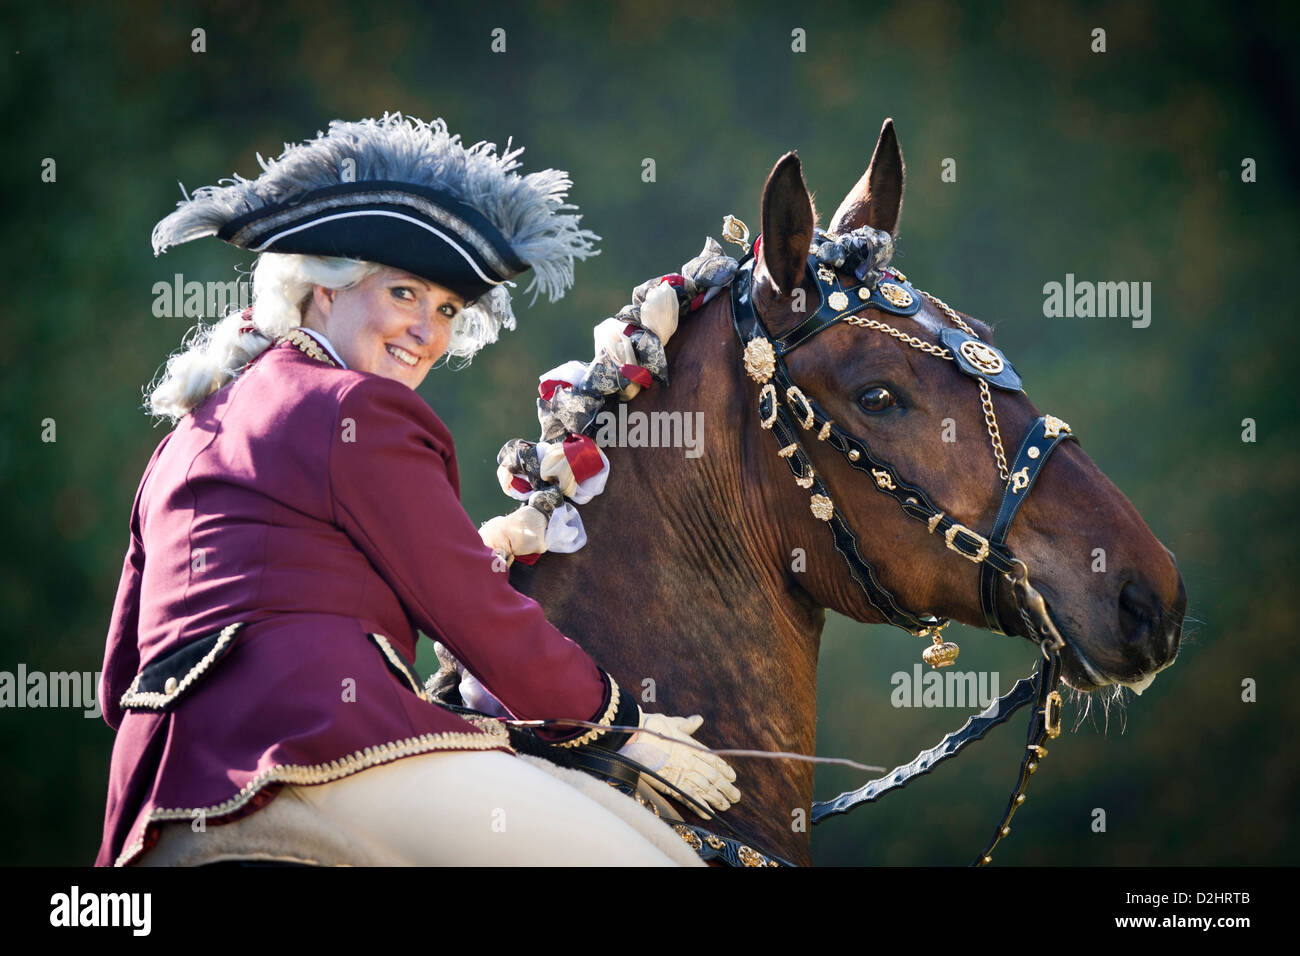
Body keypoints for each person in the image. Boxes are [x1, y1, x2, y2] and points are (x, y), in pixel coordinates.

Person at [96, 112, 740, 867]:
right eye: (404, 293)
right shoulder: (354, 406)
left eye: (445, 310)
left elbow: (117, 684)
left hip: (150, 801)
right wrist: (618, 723)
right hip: (312, 755)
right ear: (325, 289)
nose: (427, 333)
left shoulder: (184, 437)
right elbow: (474, 616)